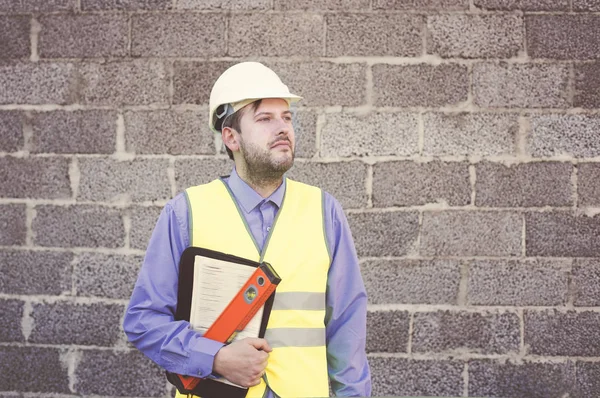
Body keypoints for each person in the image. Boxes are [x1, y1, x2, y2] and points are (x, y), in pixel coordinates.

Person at [123, 62, 371, 397]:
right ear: (231, 137)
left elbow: (347, 328)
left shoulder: (325, 212)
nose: (282, 127)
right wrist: (216, 358)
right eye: (265, 118)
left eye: (286, 117)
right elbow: (143, 321)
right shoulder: (185, 213)